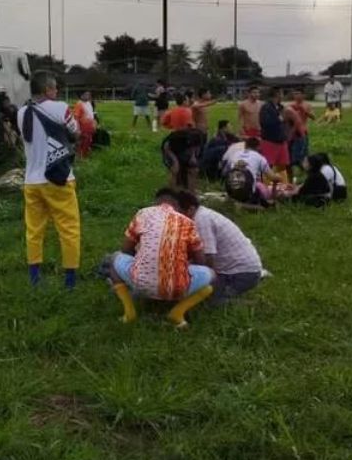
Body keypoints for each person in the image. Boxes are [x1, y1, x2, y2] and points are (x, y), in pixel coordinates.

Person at [109, 188, 216, 328]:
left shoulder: (143, 214)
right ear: (177, 206)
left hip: (140, 284)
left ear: (156, 202)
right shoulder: (187, 222)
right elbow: (201, 262)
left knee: (115, 257)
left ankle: (129, 312)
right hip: (177, 289)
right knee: (212, 275)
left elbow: (126, 250)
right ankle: (178, 313)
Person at [18, 72, 82, 288]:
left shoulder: (21, 112)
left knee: (34, 230)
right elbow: (76, 131)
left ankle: (35, 278)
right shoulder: (60, 108)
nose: (57, 93)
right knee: (68, 228)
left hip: (31, 181)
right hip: (58, 178)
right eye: (54, 89)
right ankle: (70, 281)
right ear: (47, 90)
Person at [176, 192, 263, 305]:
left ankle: (250, 303)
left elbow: (209, 257)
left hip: (241, 274)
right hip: (239, 269)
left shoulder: (201, 220)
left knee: (207, 299)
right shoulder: (202, 214)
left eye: (178, 213)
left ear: (190, 209)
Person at [224, 137, 285, 206]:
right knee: (265, 204)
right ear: (258, 147)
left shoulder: (235, 154)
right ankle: (244, 206)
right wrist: (279, 177)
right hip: (247, 192)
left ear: (245, 146)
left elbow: (226, 171)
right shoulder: (260, 158)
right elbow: (273, 178)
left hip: (230, 190)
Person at [259, 87, 291, 182]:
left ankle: (283, 184)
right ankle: (266, 185)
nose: (283, 96)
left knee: (283, 165)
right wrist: (280, 119)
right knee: (268, 164)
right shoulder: (266, 108)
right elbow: (265, 123)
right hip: (270, 141)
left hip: (281, 140)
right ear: (277, 94)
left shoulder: (281, 107)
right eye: (282, 93)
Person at [287, 90, 314, 175]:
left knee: (303, 152)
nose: (296, 96)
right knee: (291, 152)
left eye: (298, 93)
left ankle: (304, 169)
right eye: (295, 94)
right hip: (293, 132)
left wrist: (304, 111)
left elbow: (313, 117)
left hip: (303, 131)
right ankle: (291, 169)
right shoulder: (290, 105)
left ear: (303, 95)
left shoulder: (307, 105)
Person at [72, 91, 96, 158]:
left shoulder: (89, 103)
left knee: (88, 142)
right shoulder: (79, 104)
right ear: (81, 95)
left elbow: (92, 115)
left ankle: (85, 156)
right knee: (82, 143)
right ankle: (80, 157)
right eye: (85, 94)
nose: (87, 96)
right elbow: (76, 117)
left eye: (88, 95)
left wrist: (94, 123)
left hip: (90, 128)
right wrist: (78, 128)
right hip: (82, 128)